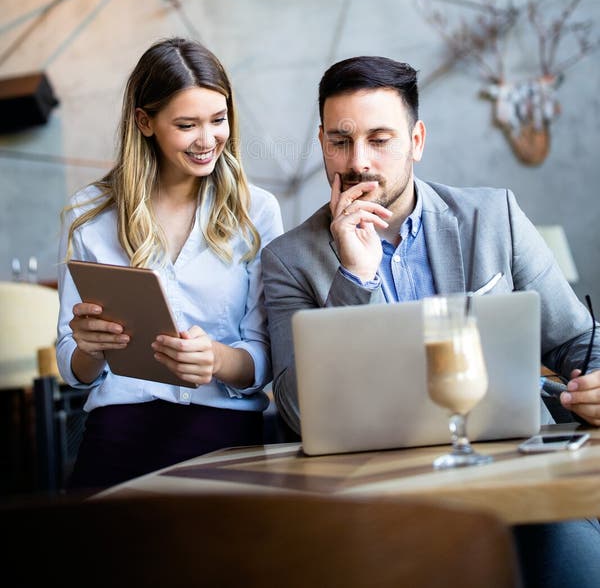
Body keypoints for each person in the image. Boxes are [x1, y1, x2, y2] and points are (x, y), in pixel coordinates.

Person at [261, 54, 600, 588]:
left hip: (519, 483)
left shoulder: (495, 218)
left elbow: (579, 342)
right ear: (322, 142)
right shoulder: (288, 259)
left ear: (416, 140)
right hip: (374, 498)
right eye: (340, 141)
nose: (359, 161)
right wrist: (356, 275)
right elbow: (301, 410)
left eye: (380, 139)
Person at [56, 37, 283, 494]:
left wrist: (217, 359)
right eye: (186, 125)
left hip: (223, 435)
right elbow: (72, 366)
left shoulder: (256, 211)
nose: (207, 140)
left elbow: (270, 355)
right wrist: (90, 347)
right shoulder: (92, 215)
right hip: (117, 433)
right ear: (145, 122)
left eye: (218, 120)